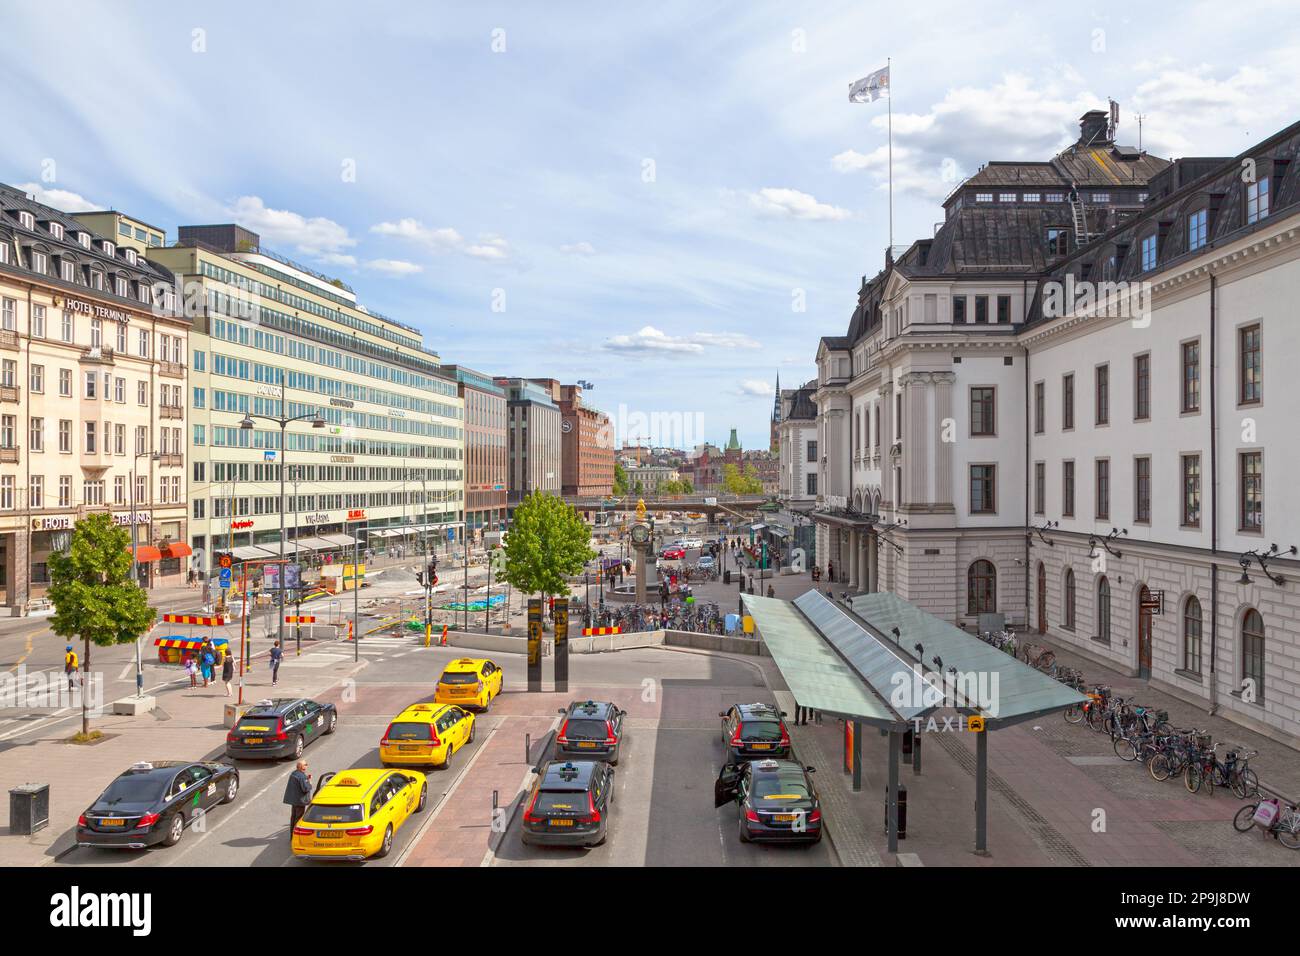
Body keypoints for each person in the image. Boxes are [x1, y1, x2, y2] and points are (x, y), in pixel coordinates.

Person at [283, 760, 312, 831]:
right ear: (302, 767)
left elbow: (298, 784)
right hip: (300, 801)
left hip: (294, 800)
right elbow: (306, 788)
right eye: (305, 764)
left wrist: (306, 779)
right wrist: (309, 782)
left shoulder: (294, 773)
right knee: (298, 818)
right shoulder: (302, 777)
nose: (306, 765)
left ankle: (292, 833)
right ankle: (296, 833)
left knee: (293, 816)